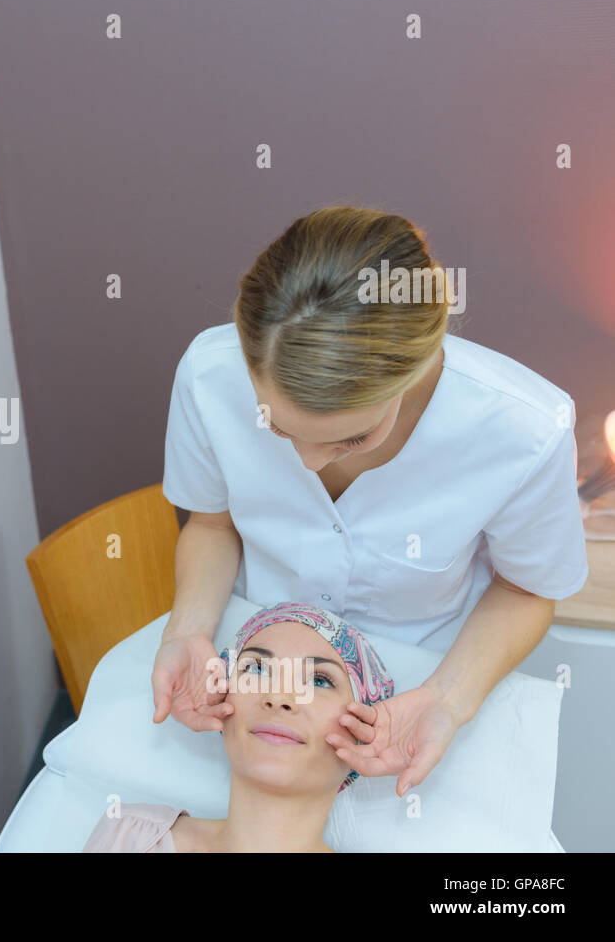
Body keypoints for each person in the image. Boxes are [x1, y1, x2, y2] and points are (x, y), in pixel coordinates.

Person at [149, 206, 589, 798]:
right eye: (278, 431)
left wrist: (446, 701)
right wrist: (187, 631)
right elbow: (211, 524)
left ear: (419, 367)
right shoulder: (210, 376)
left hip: (424, 679)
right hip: (250, 673)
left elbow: (526, 589)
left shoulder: (523, 431)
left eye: (350, 438)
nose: (307, 464)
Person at [85, 602, 394, 852]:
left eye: (318, 681)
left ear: (364, 736)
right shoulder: (129, 836)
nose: (278, 697)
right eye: (256, 669)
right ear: (221, 698)